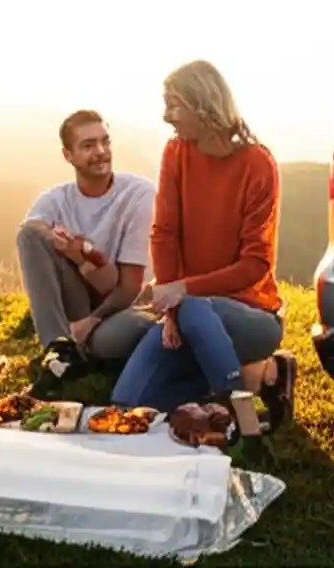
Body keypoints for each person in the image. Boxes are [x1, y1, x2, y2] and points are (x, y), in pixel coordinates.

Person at [111, 60, 297, 430]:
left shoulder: (258, 164)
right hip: (188, 311)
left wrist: (181, 293)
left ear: (203, 105)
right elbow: (163, 232)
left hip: (252, 315)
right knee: (130, 402)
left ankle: (236, 419)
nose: (167, 117)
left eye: (174, 105)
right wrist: (173, 308)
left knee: (195, 307)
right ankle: (263, 375)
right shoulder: (176, 152)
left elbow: (255, 265)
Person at [17, 109, 157, 362]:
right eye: (88, 145)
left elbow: (129, 288)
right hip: (80, 300)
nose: (101, 151)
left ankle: (82, 345)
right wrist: (58, 241)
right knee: (29, 236)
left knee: (118, 338)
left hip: (127, 307)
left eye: (105, 141)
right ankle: (58, 354)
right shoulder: (57, 198)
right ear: (68, 155)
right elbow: (31, 229)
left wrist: (90, 321)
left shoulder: (139, 194)